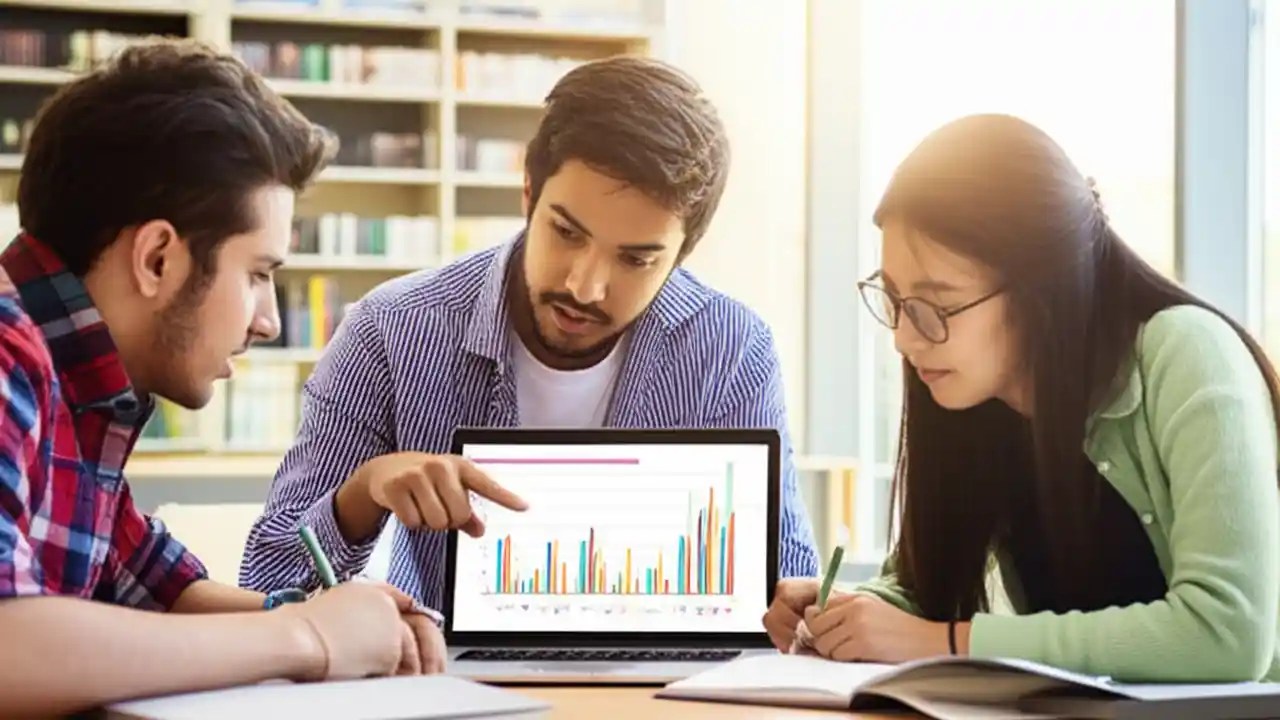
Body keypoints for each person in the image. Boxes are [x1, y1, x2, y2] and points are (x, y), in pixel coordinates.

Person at [239, 55, 820, 607]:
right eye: (567, 233)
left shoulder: (732, 347)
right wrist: (361, 495)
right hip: (459, 690)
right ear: (527, 193)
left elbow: (784, 578)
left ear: (680, 256)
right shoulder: (390, 331)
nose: (586, 286)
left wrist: (803, 608)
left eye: (636, 261)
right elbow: (266, 582)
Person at [0, 40, 445, 718]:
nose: (268, 319)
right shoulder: (8, 351)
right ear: (157, 259)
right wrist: (305, 637)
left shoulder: (82, 391)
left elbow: (156, 588)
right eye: (258, 274)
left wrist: (339, 620)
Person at [763, 113, 1280, 682]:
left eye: (935, 305)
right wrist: (848, 612)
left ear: (1039, 290)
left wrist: (949, 642)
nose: (905, 339)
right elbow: (927, 592)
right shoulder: (975, 399)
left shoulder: (1188, 352)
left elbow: (1227, 637)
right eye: (894, 300)